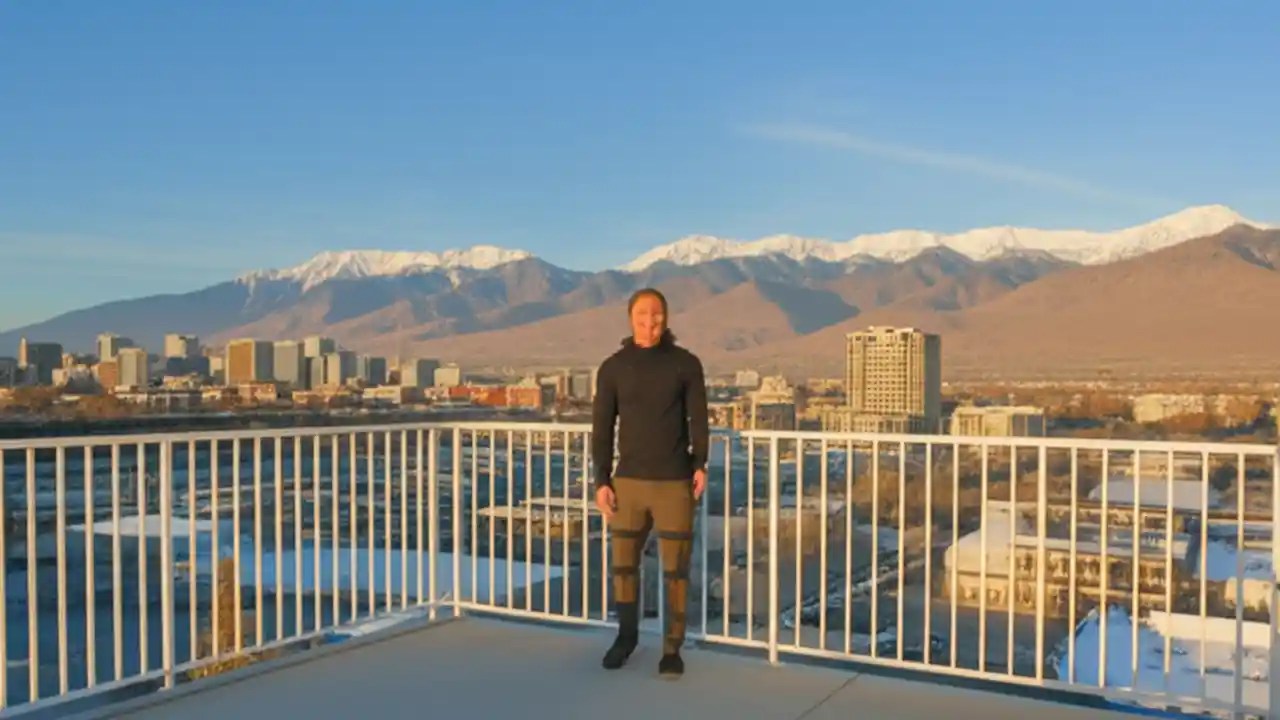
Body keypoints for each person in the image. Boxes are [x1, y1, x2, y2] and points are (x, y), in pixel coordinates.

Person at [591, 287, 709, 678]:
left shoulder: (685, 364)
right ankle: (626, 639)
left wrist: (700, 463)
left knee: (676, 570)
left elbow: (698, 418)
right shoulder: (613, 368)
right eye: (642, 314)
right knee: (623, 566)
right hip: (628, 484)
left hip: (674, 482)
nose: (650, 321)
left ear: (666, 317)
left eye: (656, 313)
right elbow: (602, 428)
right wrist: (601, 480)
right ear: (630, 317)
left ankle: (672, 649)